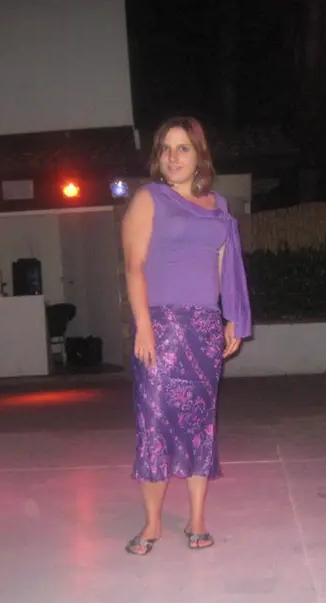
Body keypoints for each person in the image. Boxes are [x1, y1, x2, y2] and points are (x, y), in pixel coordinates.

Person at [121, 116, 252, 555]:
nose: (173, 157)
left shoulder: (218, 205)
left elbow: (225, 263)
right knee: (154, 422)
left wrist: (231, 317)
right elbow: (134, 266)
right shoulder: (149, 199)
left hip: (204, 328)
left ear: (199, 156)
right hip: (159, 326)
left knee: (201, 423)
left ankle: (196, 519)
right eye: (166, 149)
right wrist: (143, 326)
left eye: (183, 148)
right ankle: (153, 523)